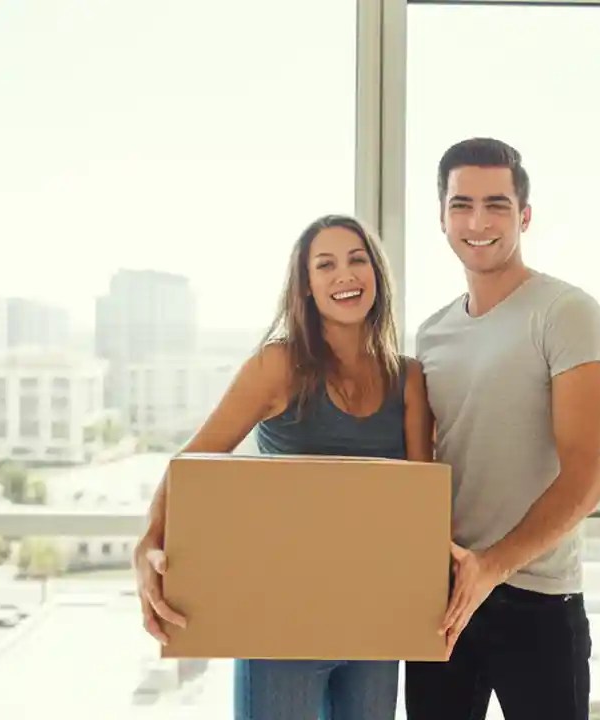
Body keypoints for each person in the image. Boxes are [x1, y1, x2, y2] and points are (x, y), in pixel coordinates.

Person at [132, 214, 434, 720]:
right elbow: (192, 463)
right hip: (279, 625)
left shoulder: (409, 379)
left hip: (374, 622)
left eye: (358, 260)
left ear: (377, 276)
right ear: (308, 288)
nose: (345, 275)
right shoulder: (278, 366)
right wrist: (147, 543)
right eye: (326, 265)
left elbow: (424, 508)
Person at [403, 137, 600, 720]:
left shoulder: (567, 313)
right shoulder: (431, 334)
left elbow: (586, 479)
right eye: (461, 204)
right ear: (441, 217)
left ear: (523, 216)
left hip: (539, 601)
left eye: (496, 205)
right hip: (444, 600)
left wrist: (489, 568)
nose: (478, 221)